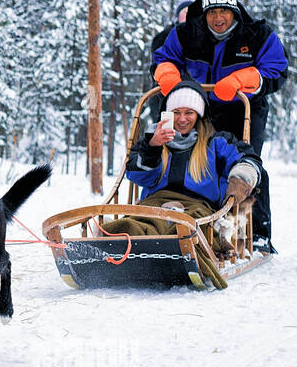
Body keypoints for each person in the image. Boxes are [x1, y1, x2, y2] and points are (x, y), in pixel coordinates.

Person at [151, 0, 287, 253]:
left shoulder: (257, 34)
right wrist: (167, 73)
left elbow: (277, 69)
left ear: (235, 11)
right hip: (199, 107)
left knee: (246, 164)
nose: (219, 18)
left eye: (225, 11)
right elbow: (163, 57)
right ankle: (198, 222)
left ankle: (257, 233)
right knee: (191, 160)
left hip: (243, 108)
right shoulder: (186, 33)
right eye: (213, 12)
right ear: (204, 13)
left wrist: (247, 78)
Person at [103, 79, 262, 277]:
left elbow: (248, 158)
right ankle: (114, 243)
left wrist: (240, 178)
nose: (182, 119)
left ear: (199, 115)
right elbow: (136, 174)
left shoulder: (216, 142)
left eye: (189, 113)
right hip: (155, 204)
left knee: (188, 224)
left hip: (199, 206)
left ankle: (166, 250)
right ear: (168, 115)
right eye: (176, 112)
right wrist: (153, 147)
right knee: (139, 222)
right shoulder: (153, 141)